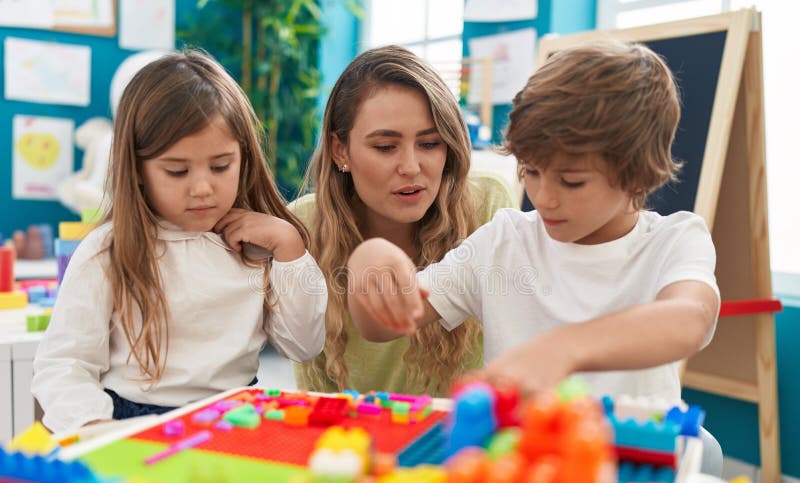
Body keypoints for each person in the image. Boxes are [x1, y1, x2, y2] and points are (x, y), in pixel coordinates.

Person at [346, 41, 720, 402]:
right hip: (519, 458)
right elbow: (380, 326)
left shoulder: (674, 240)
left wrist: (567, 346)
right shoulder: (502, 242)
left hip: (626, 459)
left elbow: (692, 318)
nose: (543, 197)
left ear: (638, 175)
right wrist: (369, 261)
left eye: (571, 181)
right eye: (532, 171)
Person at [32, 50, 327, 433]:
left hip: (237, 418)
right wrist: (93, 424)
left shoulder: (255, 243)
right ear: (137, 170)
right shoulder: (108, 250)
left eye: (221, 166)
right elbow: (64, 362)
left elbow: (304, 346)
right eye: (177, 170)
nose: (203, 188)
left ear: (244, 158)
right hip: (135, 422)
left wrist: (290, 249)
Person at [291, 45, 516, 395]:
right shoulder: (303, 227)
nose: (411, 167)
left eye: (429, 143)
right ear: (340, 151)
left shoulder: (487, 205)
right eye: (385, 147)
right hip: (348, 439)